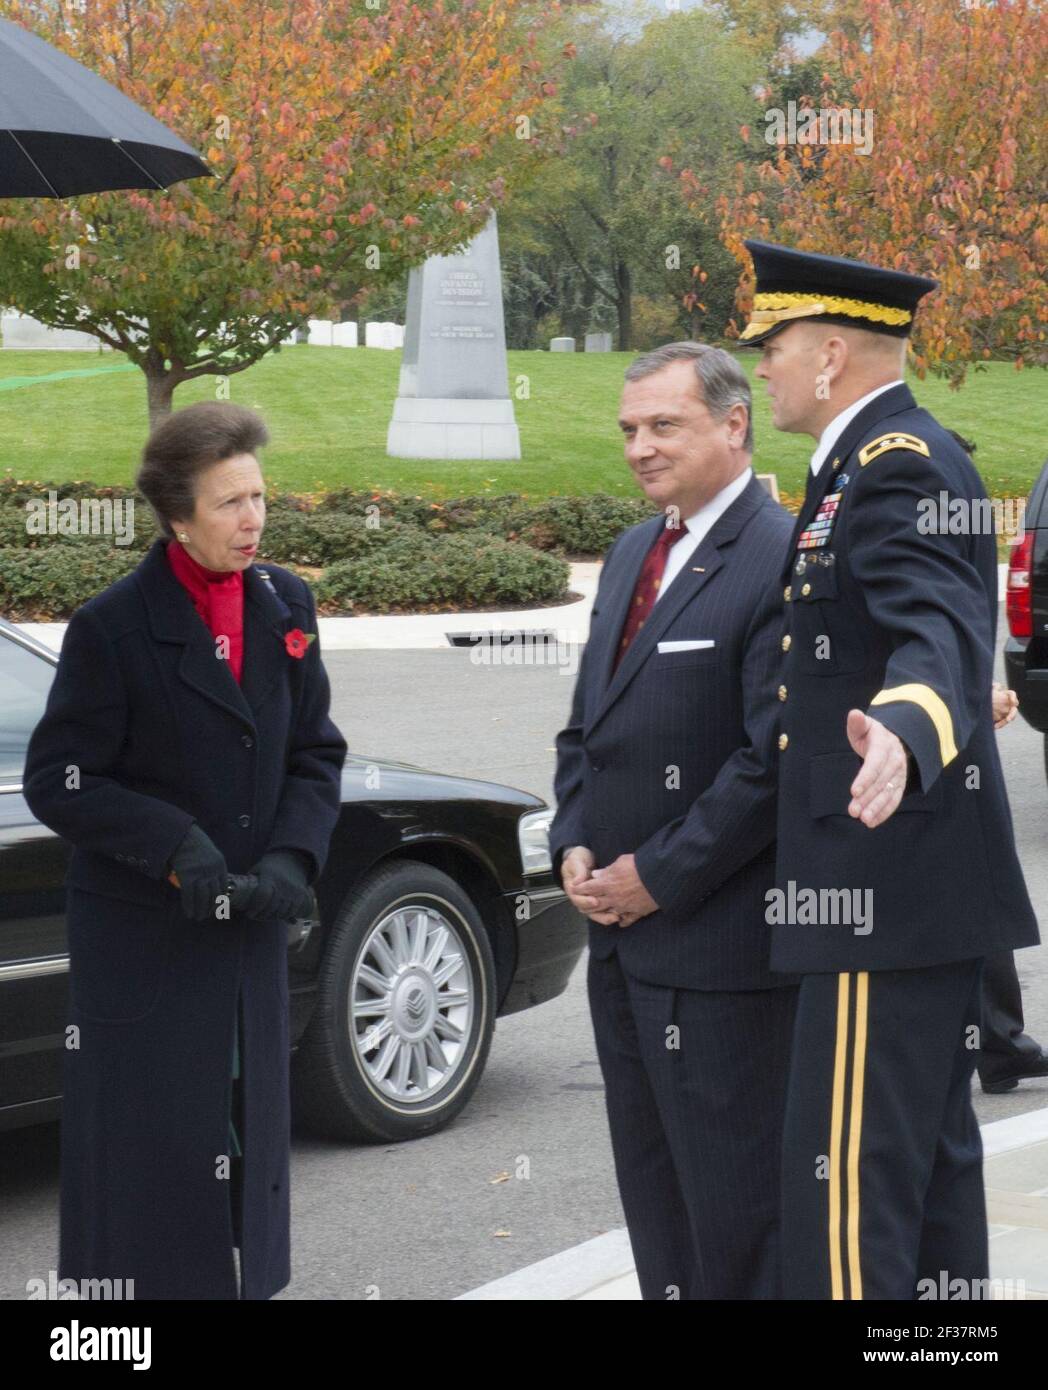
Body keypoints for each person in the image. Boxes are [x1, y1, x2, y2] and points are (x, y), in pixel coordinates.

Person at [741, 239, 1039, 1299]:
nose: (759, 365)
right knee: (931, 1172)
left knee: (853, 1188)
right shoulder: (863, 461)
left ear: (828, 353)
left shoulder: (897, 461)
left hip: (881, 883)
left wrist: (910, 727)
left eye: (770, 345)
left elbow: (942, 627)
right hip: (901, 887)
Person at [23, 401, 348, 1300]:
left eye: (258, 497)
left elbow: (315, 751)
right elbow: (60, 779)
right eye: (228, 504)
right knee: (147, 1181)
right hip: (144, 951)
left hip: (245, 940)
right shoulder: (112, 626)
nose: (252, 521)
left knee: (246, 1166)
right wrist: (174, 843)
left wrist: (294, 855)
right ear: (175, 517)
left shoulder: (287, 602)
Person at [549, 342, 798, 1299]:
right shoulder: (632, 550)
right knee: (657, 1205)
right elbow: (587, 725)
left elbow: (770, 760)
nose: (640, 449)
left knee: (738, 1213)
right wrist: (574, 838)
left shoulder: (779, 554)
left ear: (734, 425)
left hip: (718, 956)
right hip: (619, 948)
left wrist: (658, 874)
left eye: (664, 426)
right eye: (628, 431)